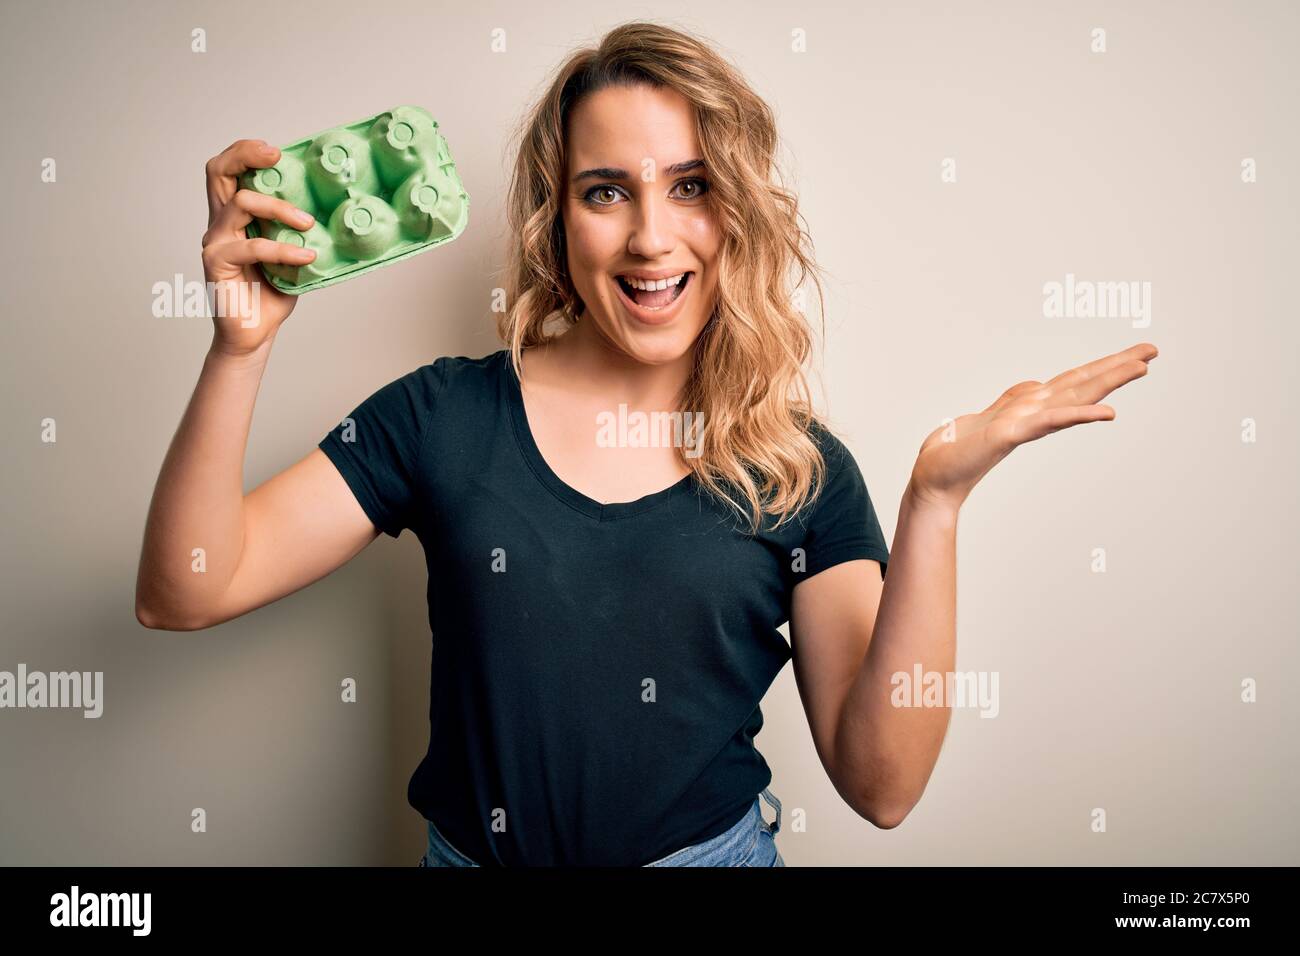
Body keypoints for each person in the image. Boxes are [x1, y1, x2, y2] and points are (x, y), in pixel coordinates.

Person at [135, 21, 1158, 867]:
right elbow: (182, 591)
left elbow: (882, 784)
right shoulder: (440, 416)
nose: (650, 238)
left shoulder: (796, 469)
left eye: (691, 185)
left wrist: (934, 503)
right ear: (557, 217)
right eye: (606, 189)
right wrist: (240, 348)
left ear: (736, 214)